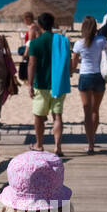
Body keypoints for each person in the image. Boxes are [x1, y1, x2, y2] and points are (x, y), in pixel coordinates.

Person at [27, 12, 71, 154]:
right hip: (58, 84)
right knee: (57, 116)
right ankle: (58, 147)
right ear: (52, 24)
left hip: (41, 84)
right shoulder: (62, 40)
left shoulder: (35, 43)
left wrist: (29, 84)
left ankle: (39, 144)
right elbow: (68, 62)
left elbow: (32, 65)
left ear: (39, 25)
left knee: (39, 116)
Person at [71, 16, 107, 154]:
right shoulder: (101, 41)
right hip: (99, 76)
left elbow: (74, 63)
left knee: (87, 111)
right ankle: (93, 139)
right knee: (95, 110)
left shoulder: (78, 43)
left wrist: (70, 72)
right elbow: (106, 55)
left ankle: (90, 144)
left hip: (85, 76)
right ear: (95, 28)